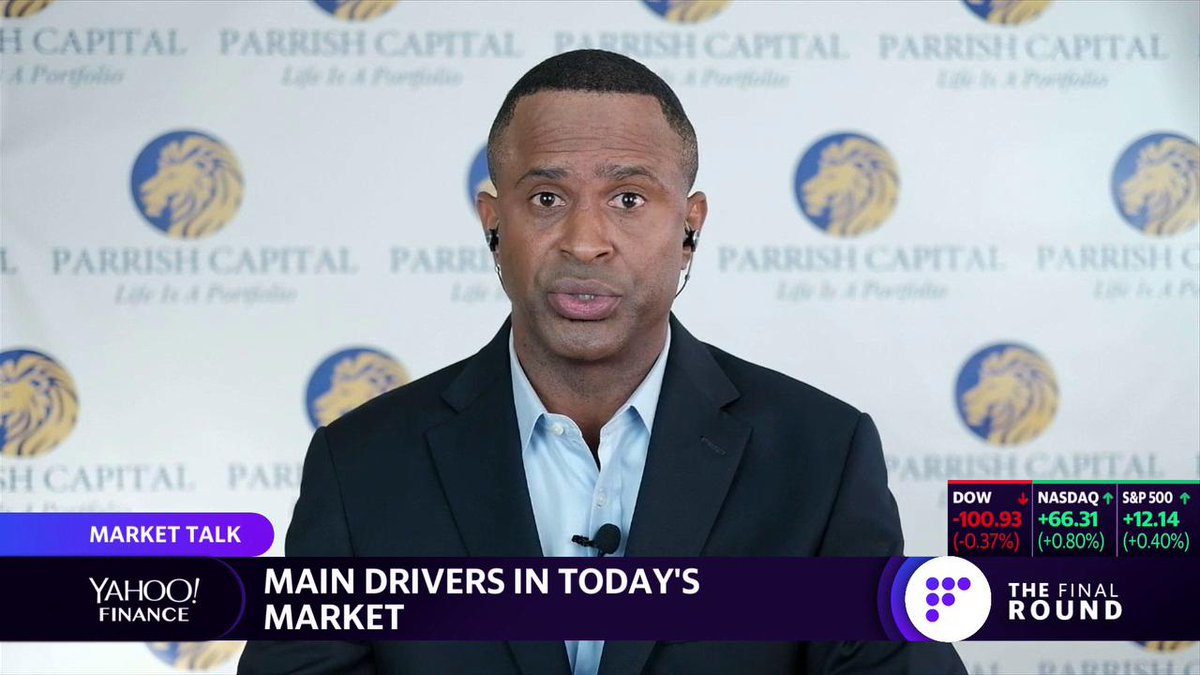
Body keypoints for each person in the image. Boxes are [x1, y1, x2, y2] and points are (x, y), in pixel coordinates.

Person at [239, 49, 966, 675]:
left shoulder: (821, 454)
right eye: (546, 197)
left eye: (628, 198)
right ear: (493, 225)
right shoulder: (361, 464)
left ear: (690, 227)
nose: (585, 241)